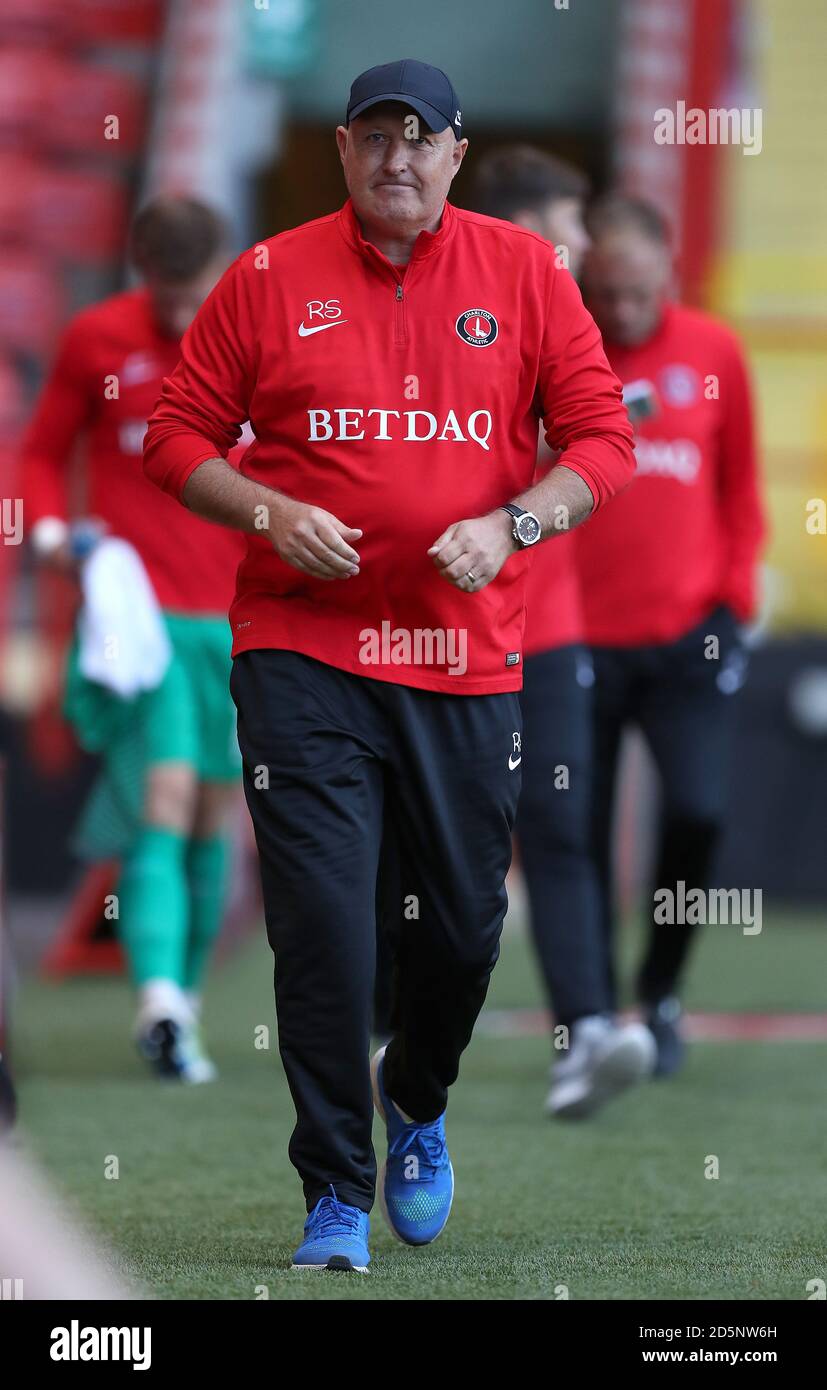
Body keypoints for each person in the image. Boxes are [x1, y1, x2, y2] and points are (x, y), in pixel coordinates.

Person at [143, 59, 635, 1273]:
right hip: (301, 649)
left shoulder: (525, 273)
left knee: (463, 933)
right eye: (374, 139)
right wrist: (263, 513)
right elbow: (173, 436)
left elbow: (601, 439)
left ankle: (414, 1097)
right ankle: (332, 1192)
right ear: (347, 153)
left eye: (420, 141)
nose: (396, 159)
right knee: (320, 929)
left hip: (461, 658)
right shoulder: (265, 276)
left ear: (457, 156)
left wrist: (511, 521)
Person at [20, 197, 246, 1083]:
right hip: (142, 623)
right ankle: (154, 996)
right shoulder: (98, 340)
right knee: (162, 799)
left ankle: (179, 1009)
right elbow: (41, 452)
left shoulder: (263, 340)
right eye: (168, 297)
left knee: (210, 814)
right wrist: (49, 534)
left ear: (225, 268)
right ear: (138, 272)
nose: (185, 318)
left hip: (242, 620)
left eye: (198, 297)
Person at [471, 147, 656, 1117]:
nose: (583, 242)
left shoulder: (568, 319)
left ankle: (582, 1031)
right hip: (443, 625)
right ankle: (383, 1036)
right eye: (570, 222)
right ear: (528, 225)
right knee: (426, 842)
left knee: (561, 826)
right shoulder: (443, 310)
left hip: (546, 627)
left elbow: (596, 448)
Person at [576, 194, 766, 1074]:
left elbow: (740, 490)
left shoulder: (714, 351)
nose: (620, 311)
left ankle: (658, 992)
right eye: (605, 292)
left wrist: (730, 598)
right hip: (574, 642)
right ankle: (587, 1013)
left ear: (670, 276)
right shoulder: (565, 353)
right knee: (575, 829)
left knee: (698, 809)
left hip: (689, 638)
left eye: (637, 292)